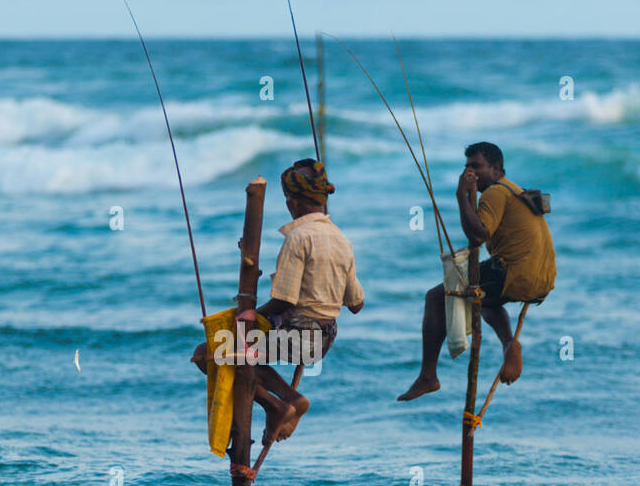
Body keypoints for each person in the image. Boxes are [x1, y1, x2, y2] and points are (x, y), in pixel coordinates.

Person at [192, 158, 364, 441]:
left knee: (208, 353)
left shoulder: (298, 238)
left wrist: (249, 315)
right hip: (324, 339)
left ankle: (279, 405)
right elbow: (356, 304)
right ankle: (288, 400)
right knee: (240, 351)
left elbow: (284, 301)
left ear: (293, 202)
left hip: (298, 336)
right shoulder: (343, 241)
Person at [398, 141, 556, 402]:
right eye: (466, 166)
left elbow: (479, 235)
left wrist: (462, 195)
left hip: (515, 274)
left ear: (495, 169)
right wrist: (471, 195)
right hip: (540, 280)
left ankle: (428, 376)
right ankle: (509, 344)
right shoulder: (512, 189)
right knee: (483, 296)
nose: (470, 172)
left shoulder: (495, 193)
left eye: (476, 166)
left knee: (435, 297)